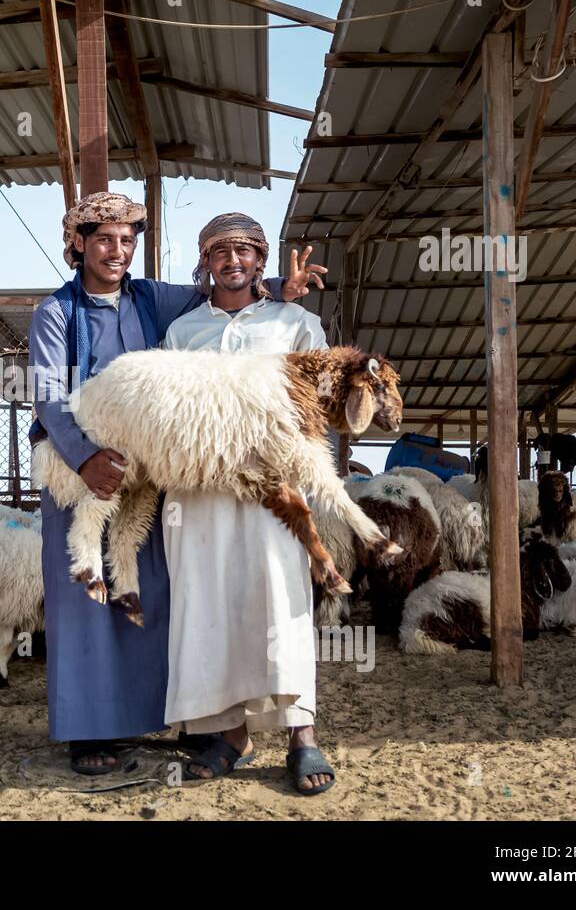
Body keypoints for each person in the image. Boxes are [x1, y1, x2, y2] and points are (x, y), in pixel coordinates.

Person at [27, 193, 319, 775]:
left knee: (151, 590)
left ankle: (151, 716)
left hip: (147, 471)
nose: (117, 251)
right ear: (79, 244)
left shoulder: (149, 297)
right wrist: (86, 458)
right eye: (104, 239)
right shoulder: (55, 313)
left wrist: (277, 295)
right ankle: (89, 731)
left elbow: (220, 292)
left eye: (127, 240)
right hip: (82, 466)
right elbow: (49, 395)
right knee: (85, 595)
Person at [160, 212, 337, 794]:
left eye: (244, 252)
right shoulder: (184, 332)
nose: (232, 261)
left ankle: (301, 735)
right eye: (219, 252)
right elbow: (169, 405)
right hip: (202, 491)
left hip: (274, 488)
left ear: (261, 260)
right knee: (209, 599)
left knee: (279, 600)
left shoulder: (296, 322)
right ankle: (231, 734)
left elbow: (322, 401)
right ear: (205, 262)